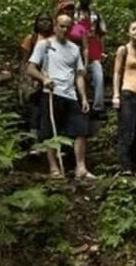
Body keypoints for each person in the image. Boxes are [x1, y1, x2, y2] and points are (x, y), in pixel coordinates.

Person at [26, 13, 95, 179]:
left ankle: (81, 168)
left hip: (70, 94)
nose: (64, 29)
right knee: (50, 132)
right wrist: (44, 79)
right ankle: (54, 169)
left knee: (81, 130)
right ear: (55, 26)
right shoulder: (45, 45)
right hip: (51, 93)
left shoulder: (74, 49)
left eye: (68, 27)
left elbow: (79, 75)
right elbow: (31, 68)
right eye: (61, 26)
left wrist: (83, 97)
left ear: (72, 29)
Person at [112, 21, 136, 173]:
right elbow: (117, 72)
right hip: (127, 93)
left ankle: (134, 166)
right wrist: (115, 95)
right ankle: (125, 167)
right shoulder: (123, 50)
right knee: (127, 131)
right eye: (134, 29)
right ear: (129, 32)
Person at [19, 13, 54, 138]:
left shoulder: (55, 38)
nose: (45, 23)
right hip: (34, 77)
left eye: (47, 20)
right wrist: (24, 80)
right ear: (36, 23)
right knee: (35, 107)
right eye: (41, 20)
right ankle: (33, 137)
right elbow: (25, 60)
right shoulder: (31, 38)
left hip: (51, 76)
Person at [75, 0, 107, 115]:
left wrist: (102, 51)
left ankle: (98, 107)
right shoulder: (73, 14)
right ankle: (76, 104)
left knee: (98, 75)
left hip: (94, 49)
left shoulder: (96, 15)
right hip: (76, 50)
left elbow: (102, 34)